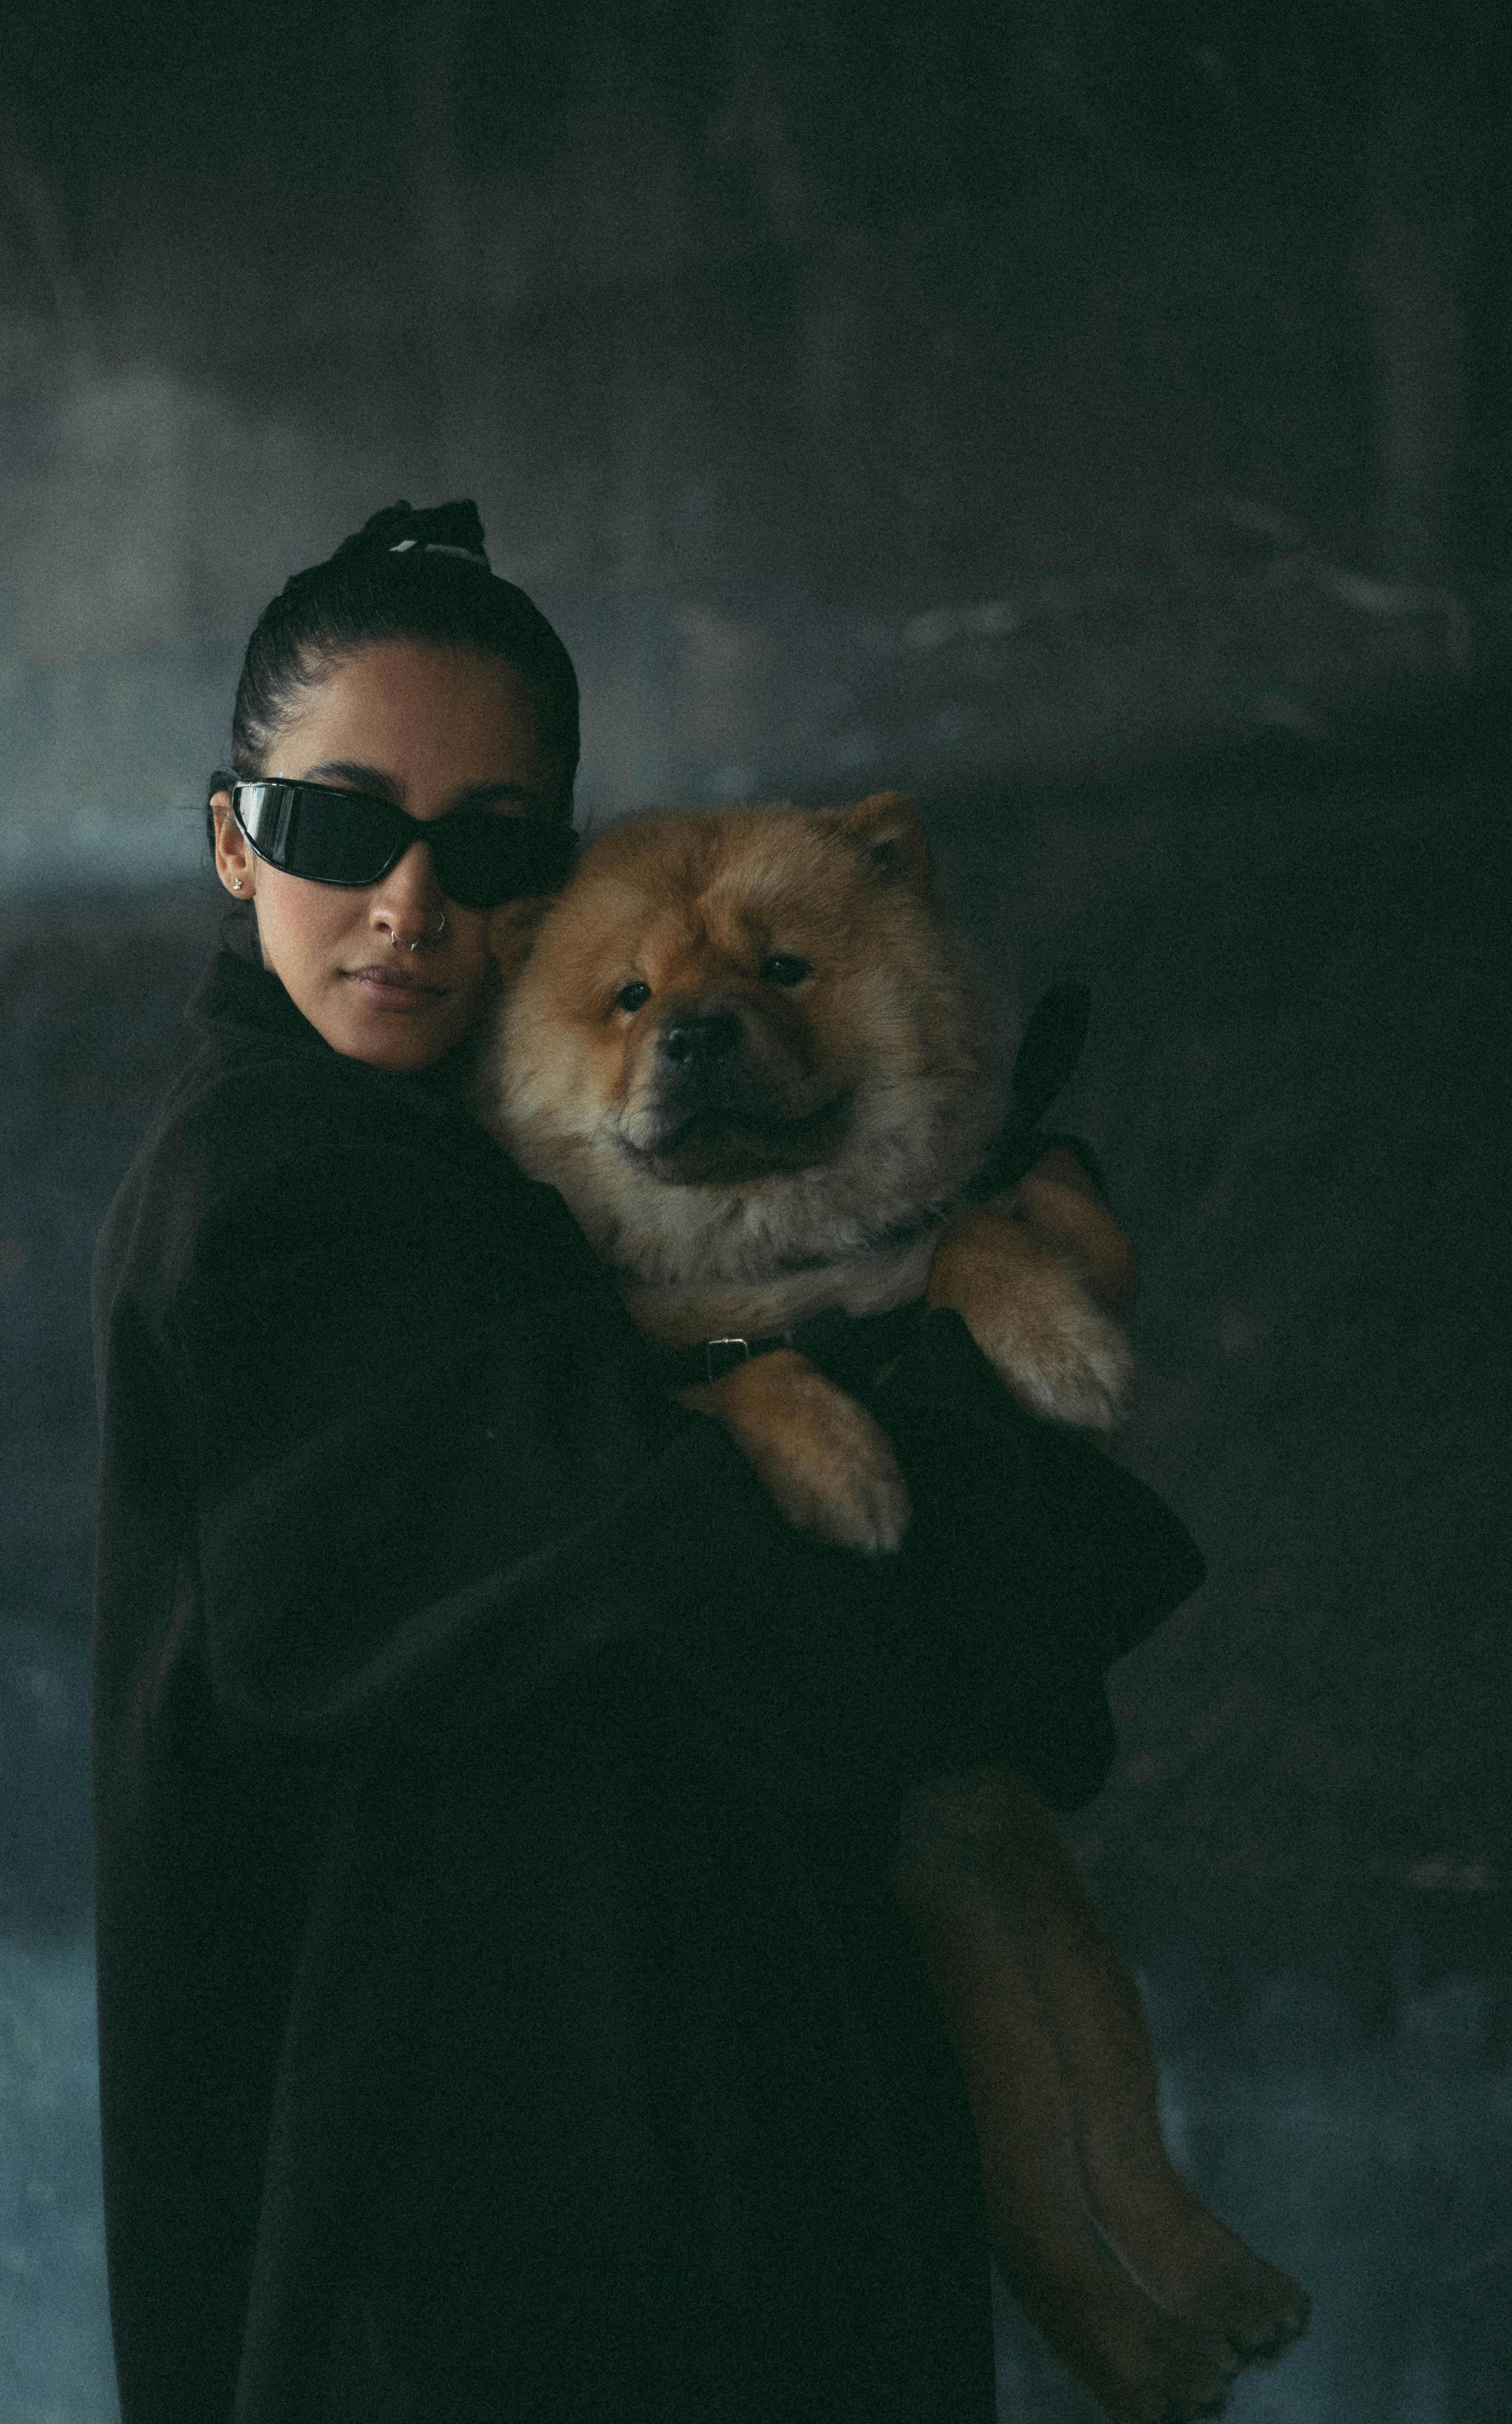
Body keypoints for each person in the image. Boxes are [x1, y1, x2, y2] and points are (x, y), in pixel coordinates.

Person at [90, 499, 1197, 2424]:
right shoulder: (288, 1201)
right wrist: (981, 1365)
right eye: (341, 825)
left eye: (492, 843)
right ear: (229, 837)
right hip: (495, 2230)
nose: (410, 903)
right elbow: (711, 1597)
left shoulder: (460, 1165)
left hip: (634, 2169)